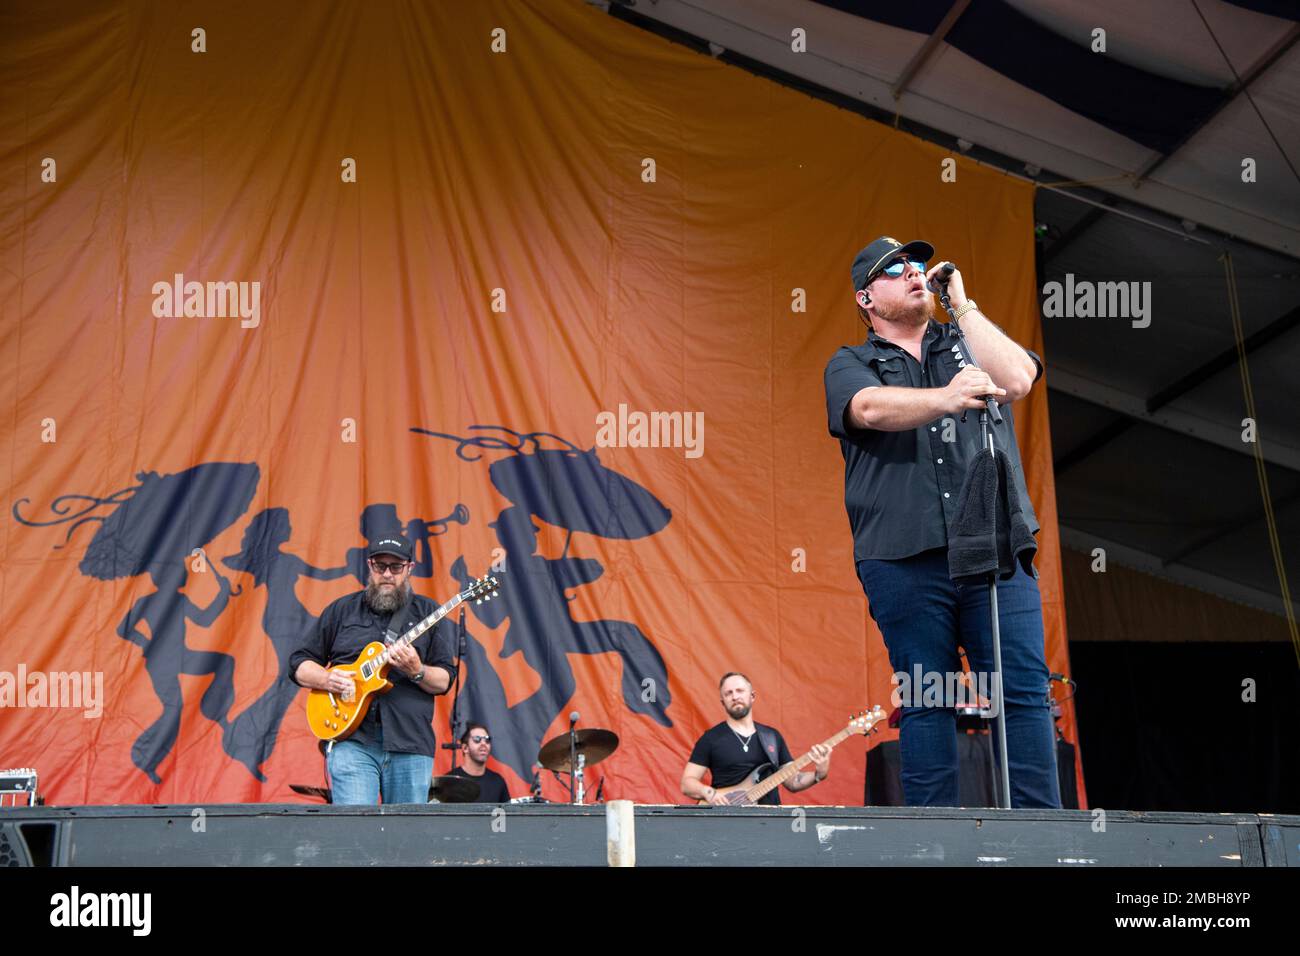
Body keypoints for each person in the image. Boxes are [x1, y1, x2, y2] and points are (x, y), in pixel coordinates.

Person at [823, 235, 1060, 809]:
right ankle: (932, 840)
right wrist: (947, 397)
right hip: (902, 556)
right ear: (865, 299)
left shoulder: (965, 343)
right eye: (894, 269)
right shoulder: (851, 362)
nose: (914, 272)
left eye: (917, 265)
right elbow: (867, 408)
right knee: (927, 697)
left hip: (994, 547)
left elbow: (1018, 379)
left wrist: (962, 304)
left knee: (1023, 690)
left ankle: (1046, 837)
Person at [288, 531, 456, 804]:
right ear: (369, 566)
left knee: (406, 829)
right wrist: (327, 679)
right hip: (351, 740)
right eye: (380, 566)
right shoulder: (342, 610)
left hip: (410, 742)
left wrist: (417, 670)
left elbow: (444, 680)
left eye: (396, 567)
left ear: (410, 568)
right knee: (355, 826)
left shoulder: (429, 612)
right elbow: (299, 663)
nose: (387, 574)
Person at [680, 673, 830, 805]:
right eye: (728, 693)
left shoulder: (772, 737)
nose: (735, 697)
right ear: (723, 702)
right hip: (727, 817)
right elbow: (687, 783)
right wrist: (710, 793)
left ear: (752, 696)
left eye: (740, 691)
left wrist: (819, 774)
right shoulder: (711, 738)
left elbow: (793, 781)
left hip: (768, 819)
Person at [446, 721, 512, 803]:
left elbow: (506, 810)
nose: (483, 743)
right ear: (465, 748)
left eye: (487, 740)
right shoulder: (449, 781)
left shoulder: (498, 781)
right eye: (477, 739)